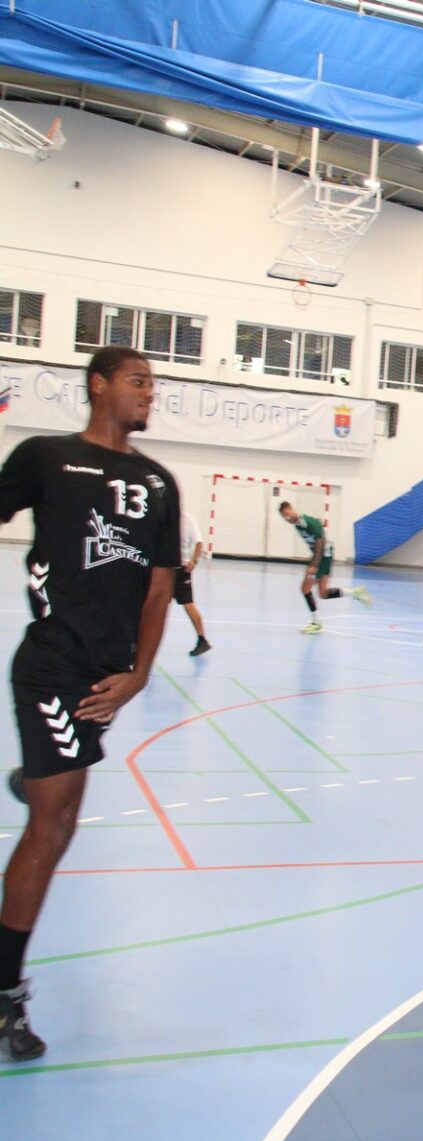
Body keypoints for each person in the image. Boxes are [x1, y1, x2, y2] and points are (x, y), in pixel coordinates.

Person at [0, 346, 182, 1062]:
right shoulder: (46, 456)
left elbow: (160, 588)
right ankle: (5, 993)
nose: (149, 394)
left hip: (105, 678)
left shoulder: (159, 483)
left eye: (153, 385)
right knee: (54, 826)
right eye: (138, 382)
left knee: (58, 806)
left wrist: (139, 675)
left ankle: (32, 776)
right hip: (52, 664)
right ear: (98, 385)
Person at [278, 501, 370, 633]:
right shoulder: (297, 524)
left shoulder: (307, 522)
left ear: (291, 508)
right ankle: (354, 593)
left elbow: (321, 542)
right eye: (284, 517)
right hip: (325, 556)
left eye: (286, 514)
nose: (286, 518)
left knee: (305, 588)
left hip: (323, 557)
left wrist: (314, 565)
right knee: (323, 593)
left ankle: (316, 623)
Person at [178, 509, 211, 656]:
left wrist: (194, 560)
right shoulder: (164, 517)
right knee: (154, 606)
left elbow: (199, 542)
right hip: (165, 569)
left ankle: (202, 640)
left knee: (188, 604)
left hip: (181, 570)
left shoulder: (188, 520)